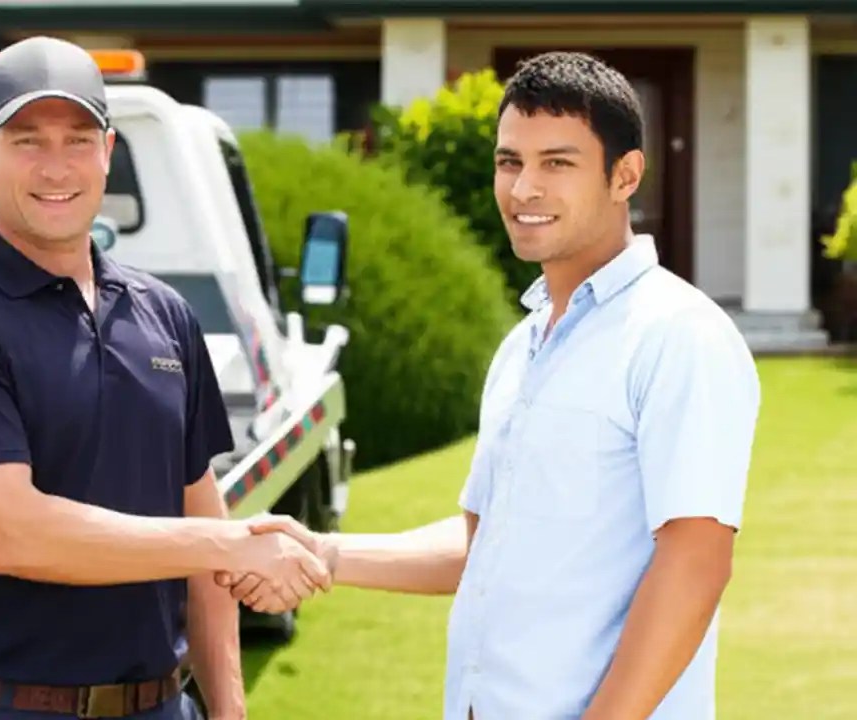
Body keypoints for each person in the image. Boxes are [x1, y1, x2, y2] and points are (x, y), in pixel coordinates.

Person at [220, 51, 761, 719]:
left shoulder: (680, 335)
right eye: (510, 161)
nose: (524, 188)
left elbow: (696, 562)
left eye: (556, 163)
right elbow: (485, 544)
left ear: (625, 175)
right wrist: (324, 552)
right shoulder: (522, 347)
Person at [0, 36, 332, 720]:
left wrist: (229, 710)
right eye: (28, 140)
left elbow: (202, 523)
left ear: (108, 152)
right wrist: (229, 543)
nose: (56, 166)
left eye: (78, 139)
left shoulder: (163, 315)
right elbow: (15, 535)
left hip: (159, 706)